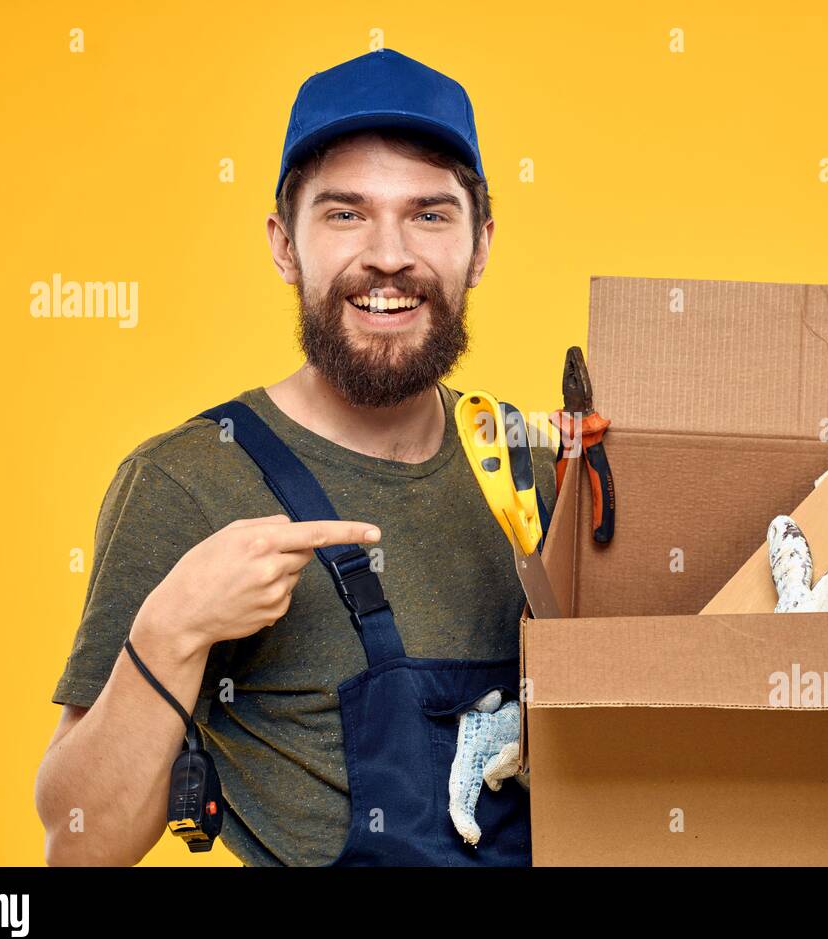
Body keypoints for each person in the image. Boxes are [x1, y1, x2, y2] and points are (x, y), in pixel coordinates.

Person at [34, 48, 555, 866]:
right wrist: (174, 628)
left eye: (429, 214)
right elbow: (79, 846)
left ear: (481, 245)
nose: (389, 255)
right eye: (345, 214)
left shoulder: (540, 469)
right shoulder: (188, 483)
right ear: (284, 244)